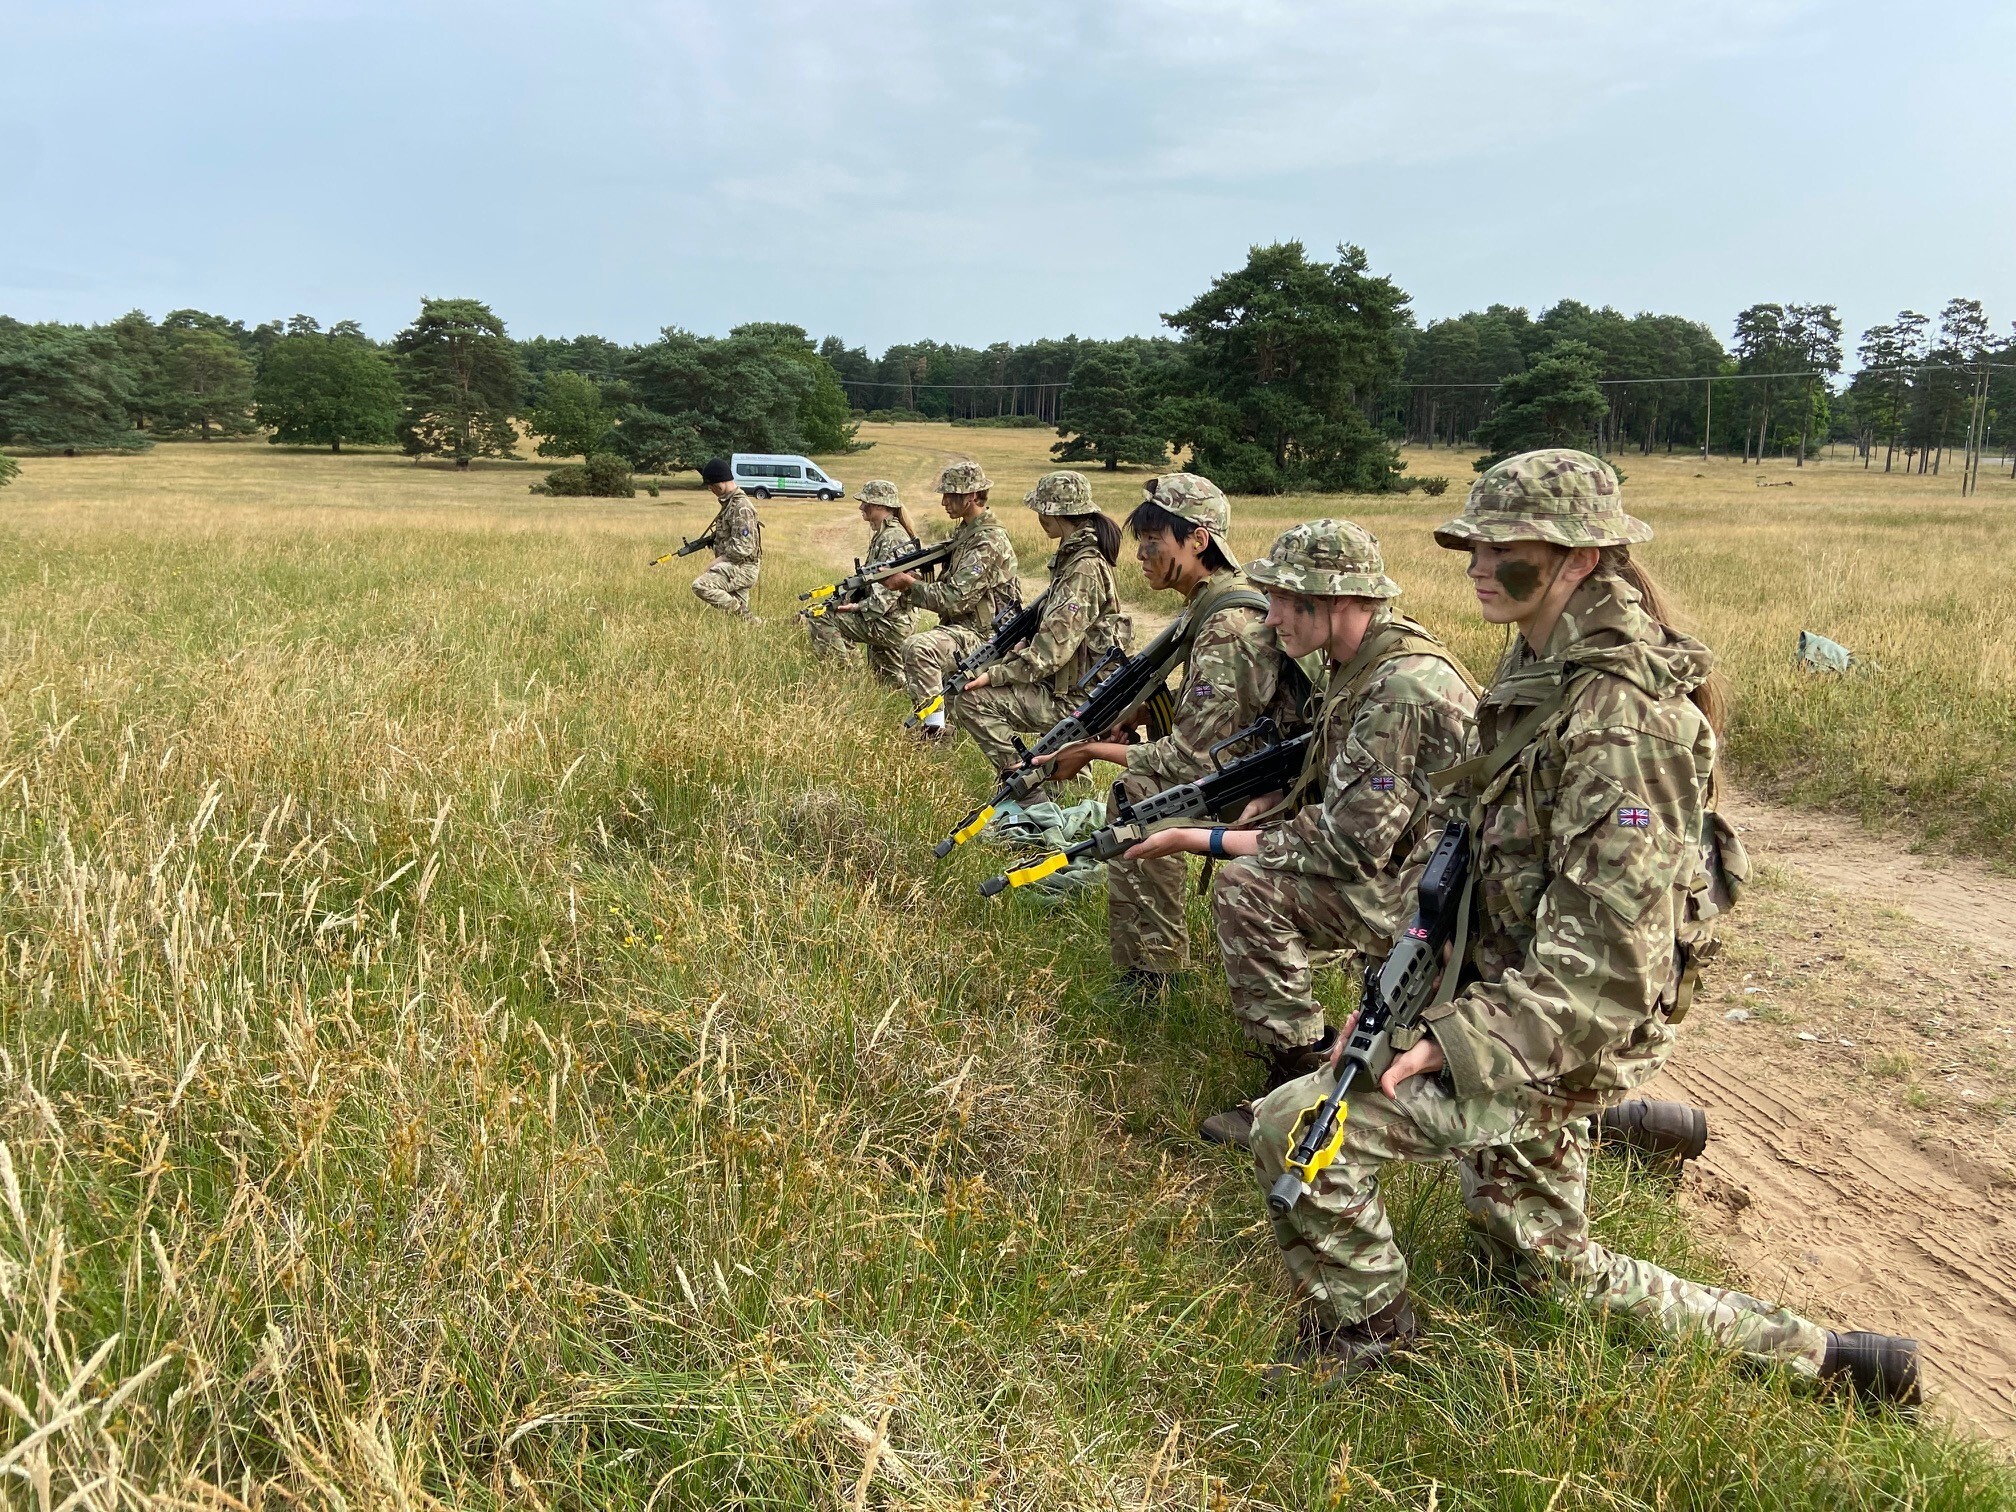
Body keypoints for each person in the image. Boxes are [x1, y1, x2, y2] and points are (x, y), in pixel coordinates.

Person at [1248, 449, 1919, 1404]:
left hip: (1558, 1035)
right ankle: (1843, 1362)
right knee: (1547, 1271)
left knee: (1300, 1132)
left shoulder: (1623, 719)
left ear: (1578, 556)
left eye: (1503, 547)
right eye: (1470, 544)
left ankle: (1374, 1336)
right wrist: (1403, 992)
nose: (1477, 564)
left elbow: (1611, 967)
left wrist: (1451, 1042)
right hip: (1511, 1005)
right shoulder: (1545, 655)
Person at [1117, 521, 1478, 1150]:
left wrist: (1198, 839)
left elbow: (1347, 847)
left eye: (1287, 599)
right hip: (1414, 866)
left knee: (1248, 887)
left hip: (1444, 899)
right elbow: (1343, 786)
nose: (1272, 616)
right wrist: (1275, 804)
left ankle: (1301, 1075)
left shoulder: (1402, 686)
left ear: (1339, 600)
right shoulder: (1361, 662)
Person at [1040, 473, 1305, 993]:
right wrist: (1140, 717)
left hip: (1276, 793)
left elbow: (1192, 759)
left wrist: (1093, 749)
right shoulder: (1210, 604)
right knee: (1135, 794)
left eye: (1153, 542)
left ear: (1198, 540)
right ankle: (1149, 964)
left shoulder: (1228, 623)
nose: (1141, 554)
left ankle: (1155, 973)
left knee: (1138, 801)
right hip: (1253, 768)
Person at [953, 470, 1128, 774]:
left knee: (972, 701)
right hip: (1072, 687)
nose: (1037, 517)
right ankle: (1065, 780)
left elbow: (1049, 653)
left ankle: (1026, 784)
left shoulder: (1082, 569)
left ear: (1053, 512)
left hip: (1078, 699)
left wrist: (996, 674)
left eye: (1039, 510)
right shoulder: (1075, 559)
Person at [883, 460, 1020, 742]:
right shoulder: (965, 534)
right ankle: (943, 727)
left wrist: (908, 585)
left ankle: (934, 734)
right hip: (967, 629)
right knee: (957, 698)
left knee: (919, 648)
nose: (944, 501)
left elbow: (954, 600)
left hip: (986, 636)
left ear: (971, 497)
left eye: (951, 495)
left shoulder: (987, 540)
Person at [805, 479, 919, 684]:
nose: (860, 507)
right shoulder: (886, 534)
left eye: (865, 502)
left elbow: (888, 594)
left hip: (890, 621)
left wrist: (855, 607)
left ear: (879, 505)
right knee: (888, 682)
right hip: (895, 618)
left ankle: (843, 681)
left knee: (820, 617)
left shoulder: (892, 538)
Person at [690, 456, 762, 621]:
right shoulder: (730, 504)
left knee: (700, 586)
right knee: (738, 624)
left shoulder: (741, 507)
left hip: (743, 567)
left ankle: (747, 617)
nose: (710, 489)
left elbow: (745, 546)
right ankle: (760, 623)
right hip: (737, 566)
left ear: (719, 483)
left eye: (711, 485)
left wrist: (719, 560)